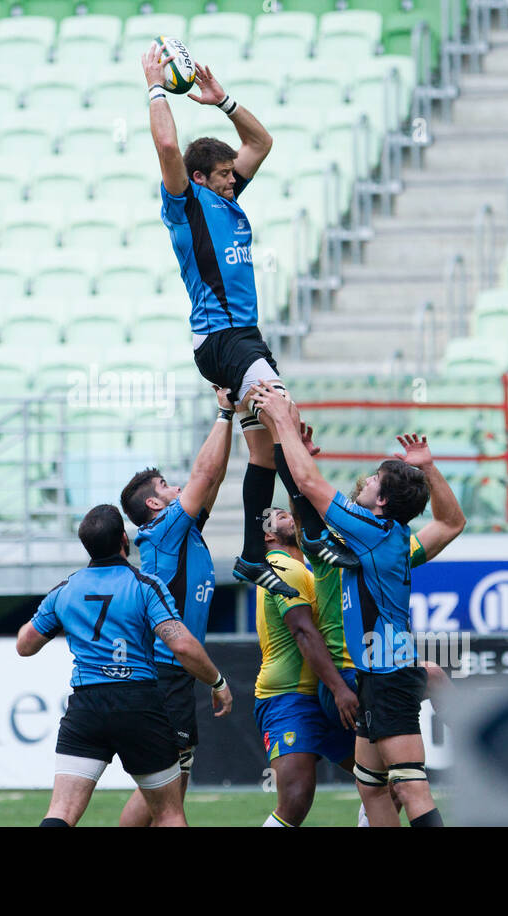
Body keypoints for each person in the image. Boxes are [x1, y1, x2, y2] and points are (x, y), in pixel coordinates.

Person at [142, 41, 357, 599]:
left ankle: (251, 554)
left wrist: (222, 100)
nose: (234, 180)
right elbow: (167, 142)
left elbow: (261, 142)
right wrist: (156, 87)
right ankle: (310, 530)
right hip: (221, 338)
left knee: (263, 446)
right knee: (283, 412)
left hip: (243, 338)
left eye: (232, 175)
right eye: (223, 175)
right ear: (199, 176)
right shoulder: (186, 200)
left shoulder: (228, 196)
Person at [254, 382, 466, 828]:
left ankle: (479, 746)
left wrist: (281, 424)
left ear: (382, 503)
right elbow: (451, 521)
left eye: (374, 480)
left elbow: (310, 489)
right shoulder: (389, 540)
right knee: (372, 787)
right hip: (372, 676)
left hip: (387, 675)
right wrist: (426, 467)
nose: (366, 480)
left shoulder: (370, 532)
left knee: (410, 787)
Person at [15, 504, 233, 827]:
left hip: (87, 707)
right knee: (169, 814)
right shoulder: (145, 585)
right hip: (139, 703)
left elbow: (25, 645)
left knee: (60, 812)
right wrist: (218, 683)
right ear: (123, 539)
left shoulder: (65, 591)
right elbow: (182, 645)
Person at [116, 387, 232, 826]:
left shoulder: (180, 532)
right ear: (153, 504)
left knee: (167, 786)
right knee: (168, 794)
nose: (178, 488)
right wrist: (224, 411)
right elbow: (203, 475)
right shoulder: (163, 530)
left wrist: (234, 420)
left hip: (171, 671)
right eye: (167, 486)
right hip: (167, 670)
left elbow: (214, 477)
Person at [253, 506, 362, 827]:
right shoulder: (281, 567)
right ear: (268, 535)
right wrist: (340, 689)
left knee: (381, 781)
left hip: (321, 693)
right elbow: (303, 631)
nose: (291, 515)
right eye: (281, 516)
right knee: (296, 800)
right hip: (288, 697)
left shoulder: (305, 570)